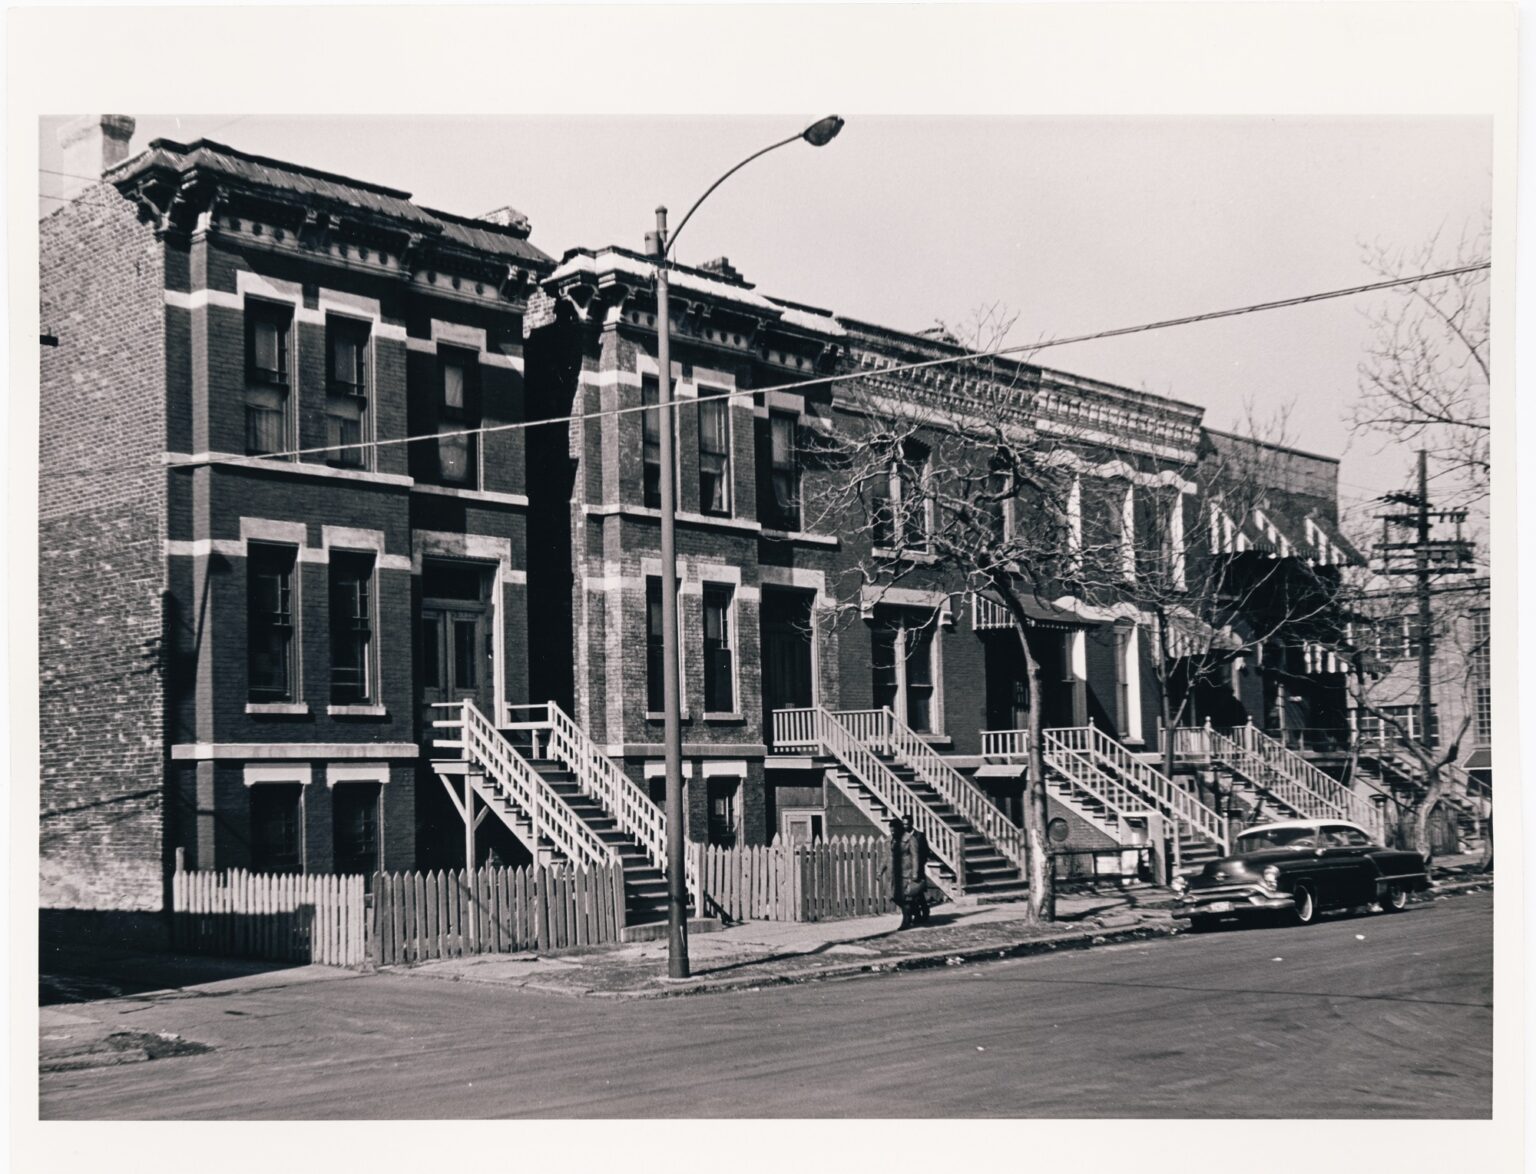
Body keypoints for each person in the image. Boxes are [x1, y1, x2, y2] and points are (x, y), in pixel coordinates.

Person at [900, 821, 930, 929]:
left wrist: (920, 864)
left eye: (907, 824)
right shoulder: (903, 837)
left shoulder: (919, 835)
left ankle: (925, 912)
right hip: (908, 869)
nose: (905, 826)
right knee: (911, 894)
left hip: (918, 868)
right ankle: (916, 915)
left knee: (918, 893)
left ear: (911, 824)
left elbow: (925, 851)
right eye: (903, 824)